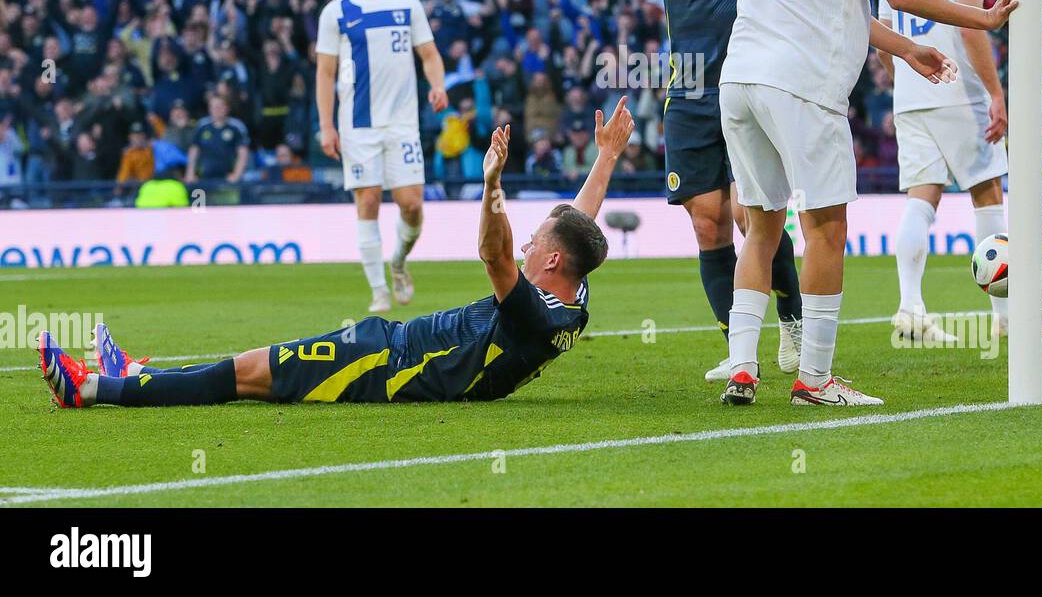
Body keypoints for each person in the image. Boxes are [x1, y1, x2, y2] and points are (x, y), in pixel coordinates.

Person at [718, 0, 1018, 406]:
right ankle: (815, 380)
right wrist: (983, 20)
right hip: (801, 84)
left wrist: (905, 49)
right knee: (826, 226)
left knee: (762, 227)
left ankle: (742, 370)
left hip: (740, 78)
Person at [37, 100, 635, 410]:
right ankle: (137, 375)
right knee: (250, 371)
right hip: (394, 348)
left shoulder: (530, 309)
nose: (529, 242)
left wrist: (491, 183)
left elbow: (493, 252)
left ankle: (93, 392)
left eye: (537, 244)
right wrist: (605, 157)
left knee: (249, 372)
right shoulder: (571, 301)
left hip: (387, 367)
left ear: (551, 263)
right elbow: (572, 225)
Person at [495, 0, 816, 383]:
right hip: (687, 94)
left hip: (750, 85)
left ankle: (793, 320)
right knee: (708, 223)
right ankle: (737, 346)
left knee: (748, 215)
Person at [876, 0, 1010, 343]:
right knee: (987, 194)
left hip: (913, 94)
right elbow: (972, 27)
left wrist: (905, 88)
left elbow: (884, 44)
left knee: (921, 200)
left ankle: (910, 309)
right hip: (960, 91)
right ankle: (1008, 317)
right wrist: (996, 92)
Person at [315, 0, 449, 313]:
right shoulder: (335, 12)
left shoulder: (406, 4)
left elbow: (429, 54)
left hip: (402, 124)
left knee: (411, 205)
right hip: (357, 126)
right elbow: (325, 74)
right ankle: (378, 291)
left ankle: (399, 262)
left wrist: (437, 85)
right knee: (368, 199)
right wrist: (326, 125)